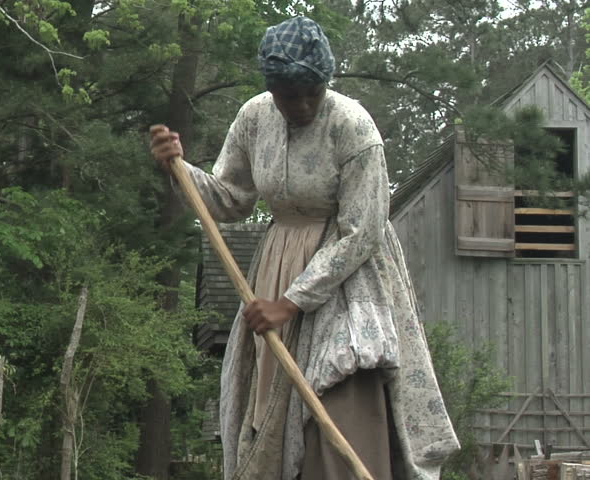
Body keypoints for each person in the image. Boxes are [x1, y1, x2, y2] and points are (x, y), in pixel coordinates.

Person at [150, 16, 459, 480]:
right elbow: (230, 199)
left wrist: (291, 302)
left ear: (325, 82)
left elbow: (362, 232)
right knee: (278, 403)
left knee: (342, 387)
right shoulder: (255, 117)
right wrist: (179, 168)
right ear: (271, 89)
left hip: (349, 279)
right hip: (276, 264)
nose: (301, 104)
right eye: (289, 94)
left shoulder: (353, 127)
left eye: (311, 91)